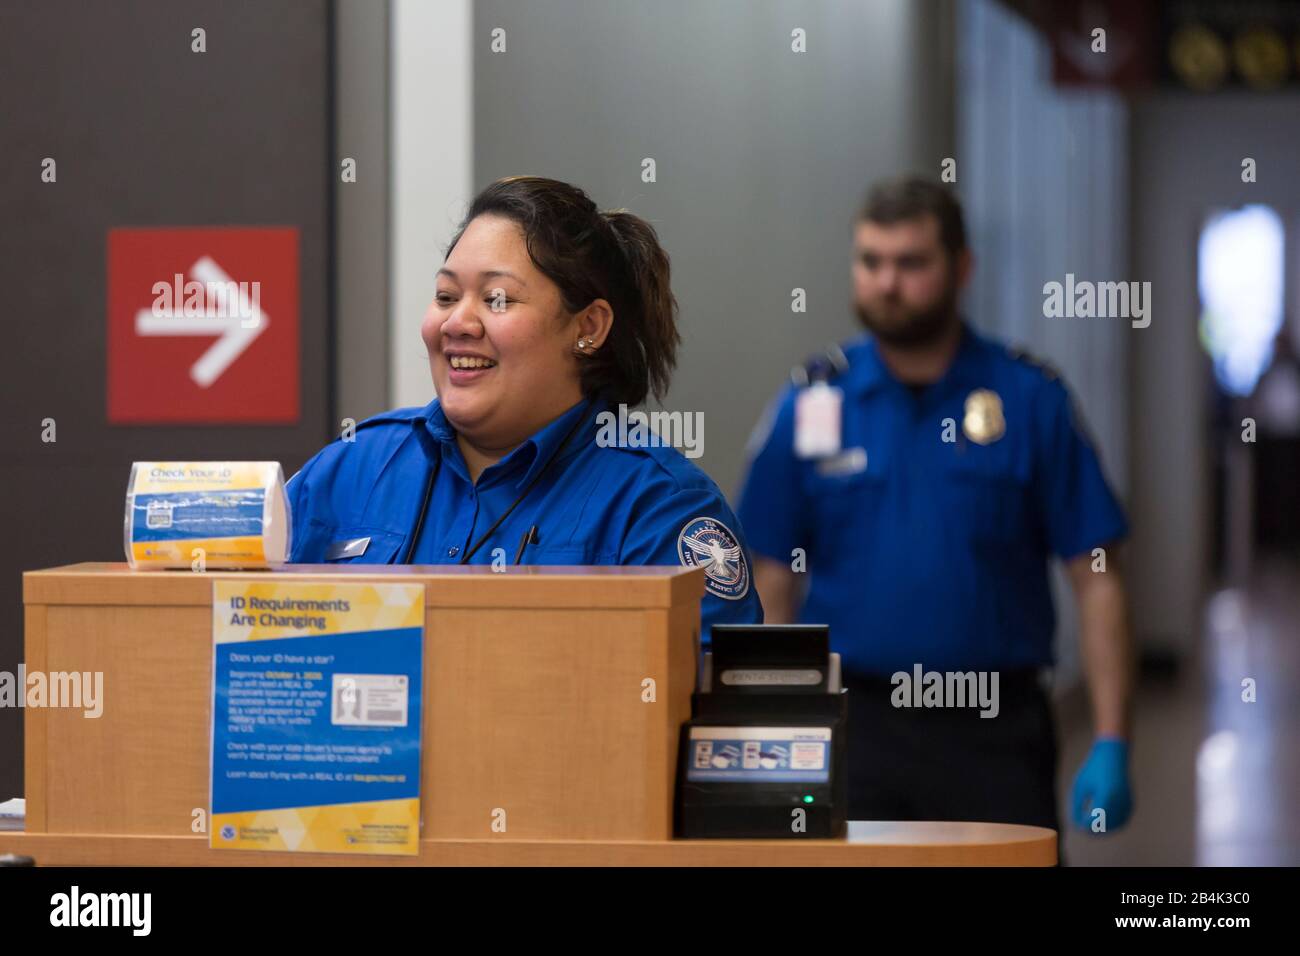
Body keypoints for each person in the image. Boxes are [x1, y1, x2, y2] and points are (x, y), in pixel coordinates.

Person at [736, 176, 1134, 839]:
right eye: (871, 262)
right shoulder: (814, 403)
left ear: (962, 268)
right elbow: (772, 577)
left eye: (911, 263)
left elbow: (1096, 576)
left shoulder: (1031, 401)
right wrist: (768, 726)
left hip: (995, 732)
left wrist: (1114, 736)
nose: (887, 283)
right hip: (853, 728)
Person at [287, 175, 763, 641]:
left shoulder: (661, 508)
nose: (457, 322)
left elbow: (688, 702)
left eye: (497, 299)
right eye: (446, 296)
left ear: (589, 328)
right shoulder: (352, 466)